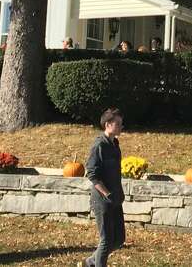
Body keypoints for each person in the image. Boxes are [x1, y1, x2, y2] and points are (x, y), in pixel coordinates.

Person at [81, 108, 126, 267]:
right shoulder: (99, 145)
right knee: (106, 240)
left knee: (119, 239)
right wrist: (107, 193)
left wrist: (118, 194)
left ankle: (91, 261)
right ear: (108, 124)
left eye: (122, 123)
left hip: (115, 199)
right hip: (102, 200)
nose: (121, 126)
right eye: (118, 123)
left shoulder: (114, 144)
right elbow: (92, 174)